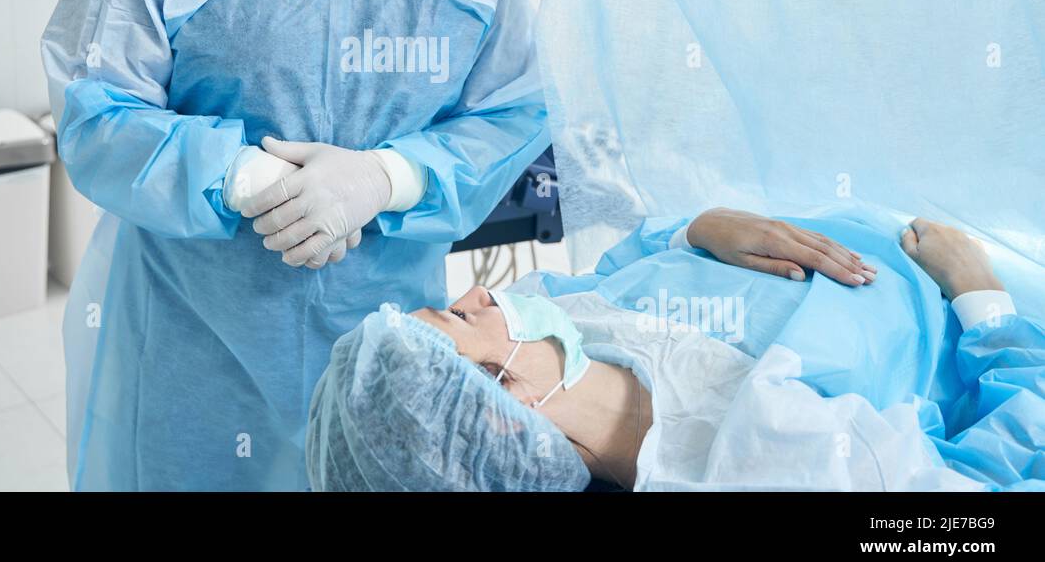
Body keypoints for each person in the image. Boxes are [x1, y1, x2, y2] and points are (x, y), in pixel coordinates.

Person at [41, 0, 548, 490]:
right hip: (192, 333)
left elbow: (512, 112)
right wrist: (242, 178)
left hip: (382, 329)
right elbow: (94, 109)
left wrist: (389, 178)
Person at [307, 210, 1045, 491]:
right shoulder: (779, 460)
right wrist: (983, 300)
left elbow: (615, 267)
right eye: (456, 317)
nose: (478, 293)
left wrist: (695, 231)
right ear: (506, 405)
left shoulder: (559, 328)